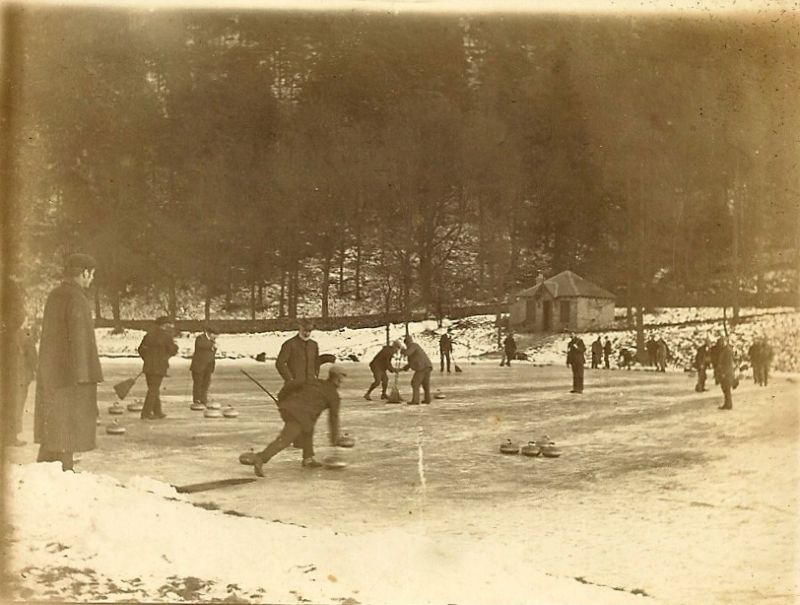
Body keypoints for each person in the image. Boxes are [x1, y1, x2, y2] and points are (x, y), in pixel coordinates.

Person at [33, 253, 103, 471]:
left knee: (53, 424)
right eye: (91, 274)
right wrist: (82, 376)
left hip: (52, 372)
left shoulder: (55, 295)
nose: (91, 279)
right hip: (72, 375)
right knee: (68, 425)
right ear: (84, 273)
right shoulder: (77, 298)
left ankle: (46, 468)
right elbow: (79, 340)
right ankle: (64, 470)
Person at [252, 364, 346, 476]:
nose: (343, 380)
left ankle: (308, 458)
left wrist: (282, 399)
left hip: (288, 409)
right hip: (300, 415)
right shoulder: (334, 396)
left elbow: (291, 384)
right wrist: (334, 439)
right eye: (343, 377)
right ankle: (261, 458)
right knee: (286, 439)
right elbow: (333, 419)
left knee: (308, 429)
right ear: (338, 378)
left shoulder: (314, 381)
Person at [4, 317, 38, 447]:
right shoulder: (24, 335)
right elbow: (32, 357)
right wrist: (35, 371)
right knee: (17, 406)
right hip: (20, 377)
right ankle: (12, 436)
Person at [137, 316, 178, 420]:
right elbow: (172, 350)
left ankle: (158, 411)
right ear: (165, 325)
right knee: (153, 390)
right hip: (160, 366)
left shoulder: (148, 335)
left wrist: (146, 359)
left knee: (153, 388)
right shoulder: (167, 336)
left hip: (148, 366)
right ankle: (145, 413)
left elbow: (141, 349)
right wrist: (175, 347)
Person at [276, 319, 319, 384]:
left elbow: (316, 362)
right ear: (300, 329)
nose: (307, 334)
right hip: (295, 384)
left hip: (310, 384)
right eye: (304, 331)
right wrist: (289, 378)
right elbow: (280, 363)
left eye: (309, 331)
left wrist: (315, 375)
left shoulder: (313, 345)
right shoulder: (290, 344)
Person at [190, 326, 218, 407]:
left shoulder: (212, 341)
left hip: (208, 366)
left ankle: (203, 399)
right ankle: (197, 399)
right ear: (210, 333)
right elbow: (201, 345)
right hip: (199, 365)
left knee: (206, 383)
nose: (216, 337)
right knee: (198, 383)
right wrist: (212, 345)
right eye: (215, 335)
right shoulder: (200, 338)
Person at [401, 334, 433, 405]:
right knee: (425, 384)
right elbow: (412, 360)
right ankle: (427, 399)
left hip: (422, 367)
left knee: (415, 383)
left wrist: (403, 350)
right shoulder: (414, 347)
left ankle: (415, 400)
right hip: (427, 366)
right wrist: (405, 368)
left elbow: (408, 353)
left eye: (406, 343)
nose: (406, 345)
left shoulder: (413, 346)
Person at [716, 336, 735, 410]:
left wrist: (724, 373)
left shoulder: (727, 351)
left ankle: (728, 404)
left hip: (726, 373)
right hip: (725, 372)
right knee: (725, 389)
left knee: (726, 389)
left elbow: (728, 364)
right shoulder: (725, 350)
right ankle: (727, 404)